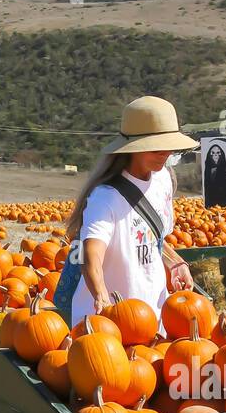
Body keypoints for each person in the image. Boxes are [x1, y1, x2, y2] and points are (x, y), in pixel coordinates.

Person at [64, 96, 199, 327]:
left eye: (169, 145)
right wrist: (100, 295)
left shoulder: (164, 179)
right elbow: (91, 253)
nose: (165, 152)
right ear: (134, 148)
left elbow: (153, 238)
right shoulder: (105, 197)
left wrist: (175, 262)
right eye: (157, 146)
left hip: (153, 315)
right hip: (107, 323)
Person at [203, 142, 226, 208]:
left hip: (225, 207)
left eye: (218, 153)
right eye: (213, 153)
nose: (215, 155)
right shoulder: (208, 171)